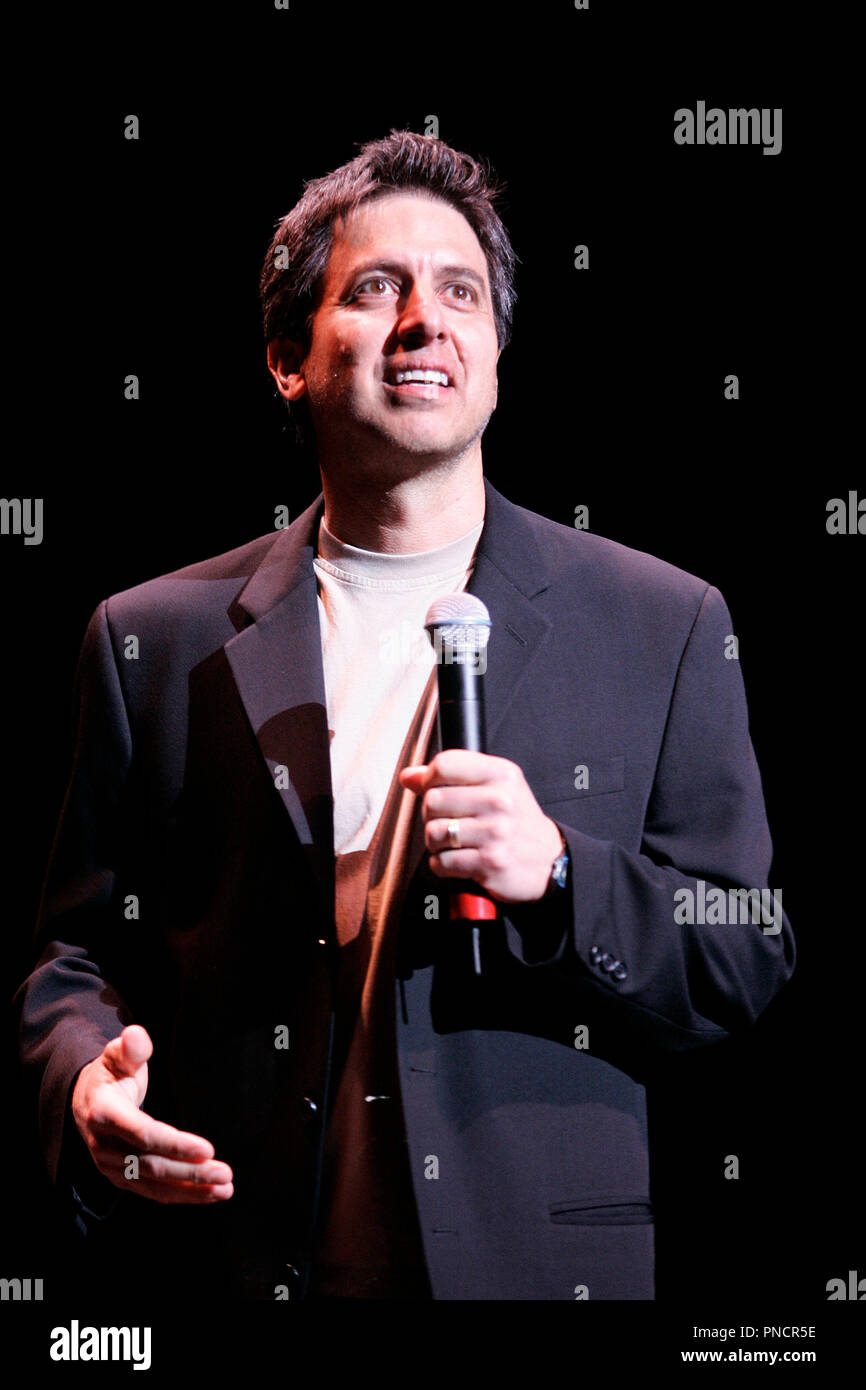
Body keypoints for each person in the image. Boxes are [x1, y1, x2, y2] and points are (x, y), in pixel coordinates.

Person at [15, 130, 795, 1301]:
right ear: (288, 359)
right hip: (237, 1262)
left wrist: (562, 872)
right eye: (377, 289)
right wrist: (83, 1080)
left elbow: (742, 941)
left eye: (460, 292)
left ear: (491, 351)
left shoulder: (661, 620)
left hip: (530, 1270)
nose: (425, 320)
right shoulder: (153, 640)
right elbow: (76, 956)